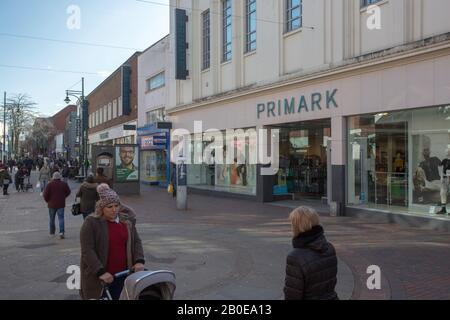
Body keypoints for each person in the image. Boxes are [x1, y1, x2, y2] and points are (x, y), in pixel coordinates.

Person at [79, 183, 145, 300]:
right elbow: (87, 250)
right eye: (109, 207)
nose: (114, 210)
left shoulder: (126, 222)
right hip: (101, 277)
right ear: (101, 208)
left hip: (124, 274)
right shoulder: (91, 223)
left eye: (116, 205)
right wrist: (100, 272)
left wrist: (139, 260)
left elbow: (136, 242)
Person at [284, 206, 338, 300]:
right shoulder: (329, 248)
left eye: (292, 224)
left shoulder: (295, 257)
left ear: (297, 226)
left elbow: (292, 295)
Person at [43, 172, 71, 239]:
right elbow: (68, 192)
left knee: (52, 219)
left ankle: (52, 233)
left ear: (53, 177)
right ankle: (61, 232)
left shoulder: (49, 184)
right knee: (61, 218)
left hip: (51, 204)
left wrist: (48, 200)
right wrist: (64, 197)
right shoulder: (64, 184)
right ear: (59, 177)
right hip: (61, 204)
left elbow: (45, 195)